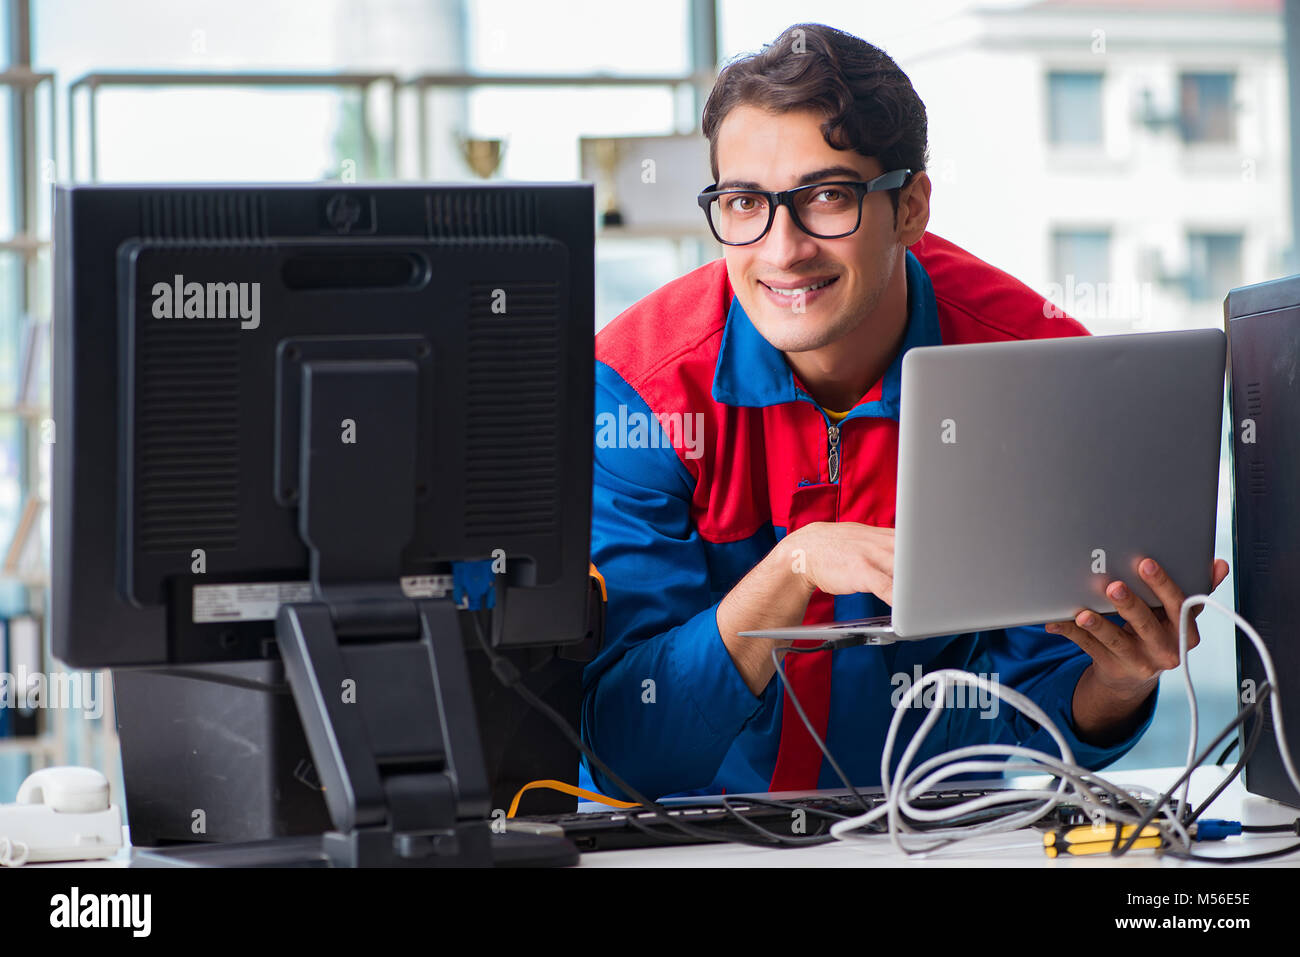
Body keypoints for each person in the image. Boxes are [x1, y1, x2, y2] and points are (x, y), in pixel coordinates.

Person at [580, 22, 1228, 800]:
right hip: (691, 841)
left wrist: (1118, 682)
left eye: (827, 197)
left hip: (938, 832)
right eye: (745, 202)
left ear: (911, 207)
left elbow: (1044, 704)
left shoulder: (1029, 363)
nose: (782, 250)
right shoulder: (638, 390)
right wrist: (794, 567)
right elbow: (624, 740)